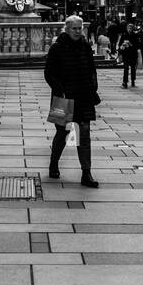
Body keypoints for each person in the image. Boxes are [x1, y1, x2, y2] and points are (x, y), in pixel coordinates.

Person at [44, 14, 100, 188]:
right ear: (66, 29)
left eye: (80, 28)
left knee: (84, 135)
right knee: (62, 133)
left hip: (83, 97)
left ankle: (86, 173)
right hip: (63, 98)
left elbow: (92, 69)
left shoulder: (85, 46)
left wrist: (93, 86)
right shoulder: (57, 48)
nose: (77, 31)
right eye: (74, 28)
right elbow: (49, 73)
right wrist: (60, 89)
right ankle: (54, 164)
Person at [118, 22, 139, 88]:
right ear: (126, 28)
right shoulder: (124, 35)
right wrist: (122, 46)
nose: (129, 29)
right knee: (126, 68)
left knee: (133, 68)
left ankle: (133, 80)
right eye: (128, 28)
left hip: (133, 54)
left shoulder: (135, 35)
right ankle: (125, 82)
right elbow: (120, 44)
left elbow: (137, 45)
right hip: (126, 54)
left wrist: (130, 44)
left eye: (130, 28)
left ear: (132, 29)